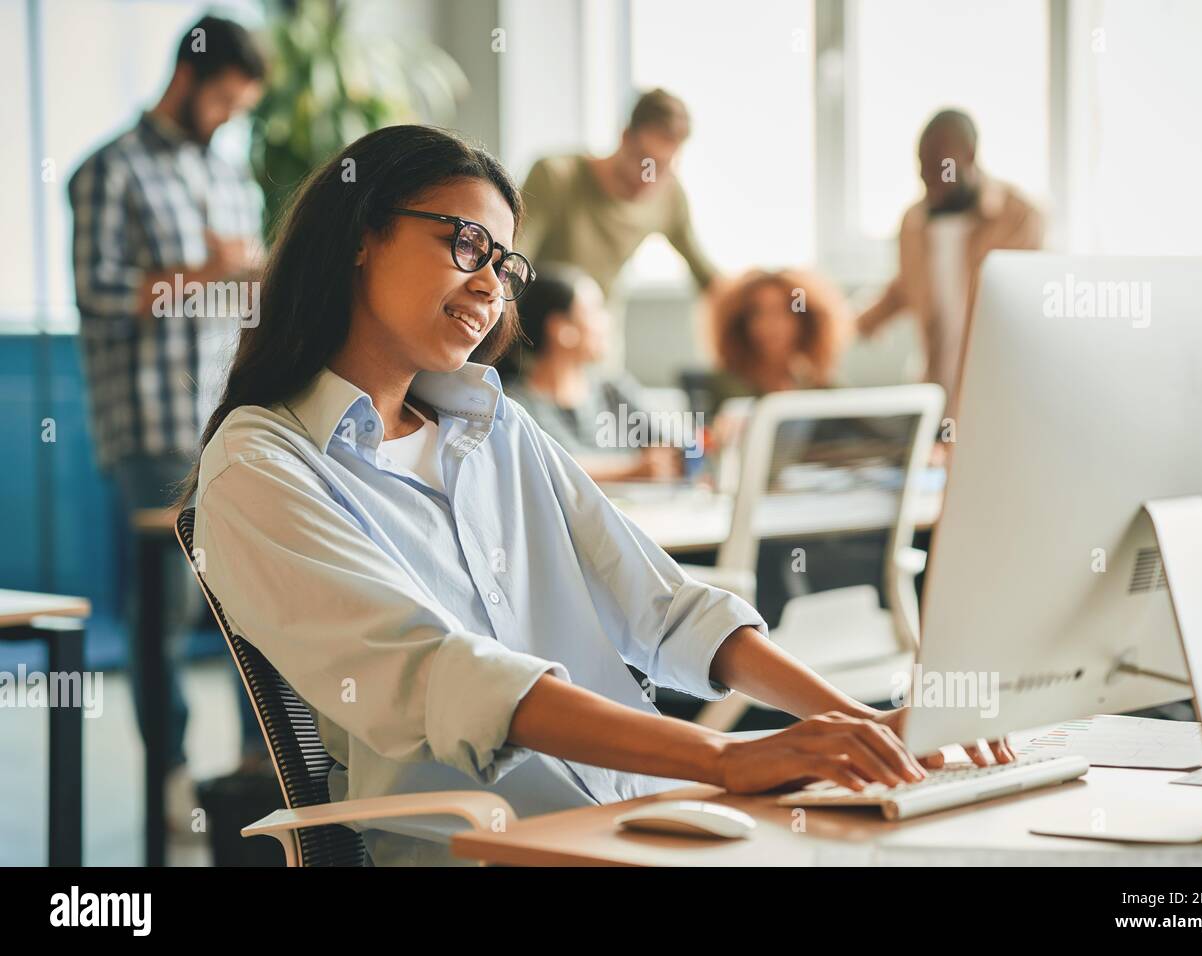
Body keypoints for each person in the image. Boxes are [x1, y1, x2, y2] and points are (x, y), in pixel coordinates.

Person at [185, 124, 1013, 866]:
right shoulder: (260, 468)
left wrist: (862, 732)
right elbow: (446, 675)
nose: (490, 288)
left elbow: (667, 609)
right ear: (362, 235)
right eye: (467, 244)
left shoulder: (493, 428)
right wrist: (725, 761)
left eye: (505, 266)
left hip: (634, 816)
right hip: (482, 847)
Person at [68, 15, 267, 817]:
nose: (227, 116)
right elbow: (101, 297)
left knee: (255, 590)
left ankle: (262, 768)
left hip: (225, 418)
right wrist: (201, 272)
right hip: (149, 423)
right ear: (187, 78)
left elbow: (236, 295)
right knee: (167, 606)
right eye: (221, 97)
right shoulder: (106, 172)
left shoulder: (231, 178)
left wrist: (249, 280)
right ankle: (171, 777)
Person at [855, 109, 1044, 425]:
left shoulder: (1018, 215)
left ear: (969, 156)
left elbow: (1028, 303)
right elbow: (905, 287)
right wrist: (839, 327)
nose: (927, 175)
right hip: (937, 397)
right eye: (921, 164)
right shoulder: (913, 223)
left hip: (1001, 398)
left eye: (938, 164)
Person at [515, 89, 718, 299]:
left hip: (599, 325)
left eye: (663, 166)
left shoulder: (669, 198)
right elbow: (513, 262)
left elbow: (708, 277)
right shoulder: (555, 177)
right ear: (625, 138)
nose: (649, 178)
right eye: (644, 160)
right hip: (537, 324)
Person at [499, 263, 679, 483]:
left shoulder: (614, 390)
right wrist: (631, 470)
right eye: (596, 310)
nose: (607, 322)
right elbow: (542, 469)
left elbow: (673, 445)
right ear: (561, 330)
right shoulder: (514, 406)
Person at [702, 267, 848, 418]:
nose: (770, 324)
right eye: (757, 313)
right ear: (741, 324)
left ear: (804, 320)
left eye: (783, 311)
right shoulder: (726, 385)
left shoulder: (821, 385)